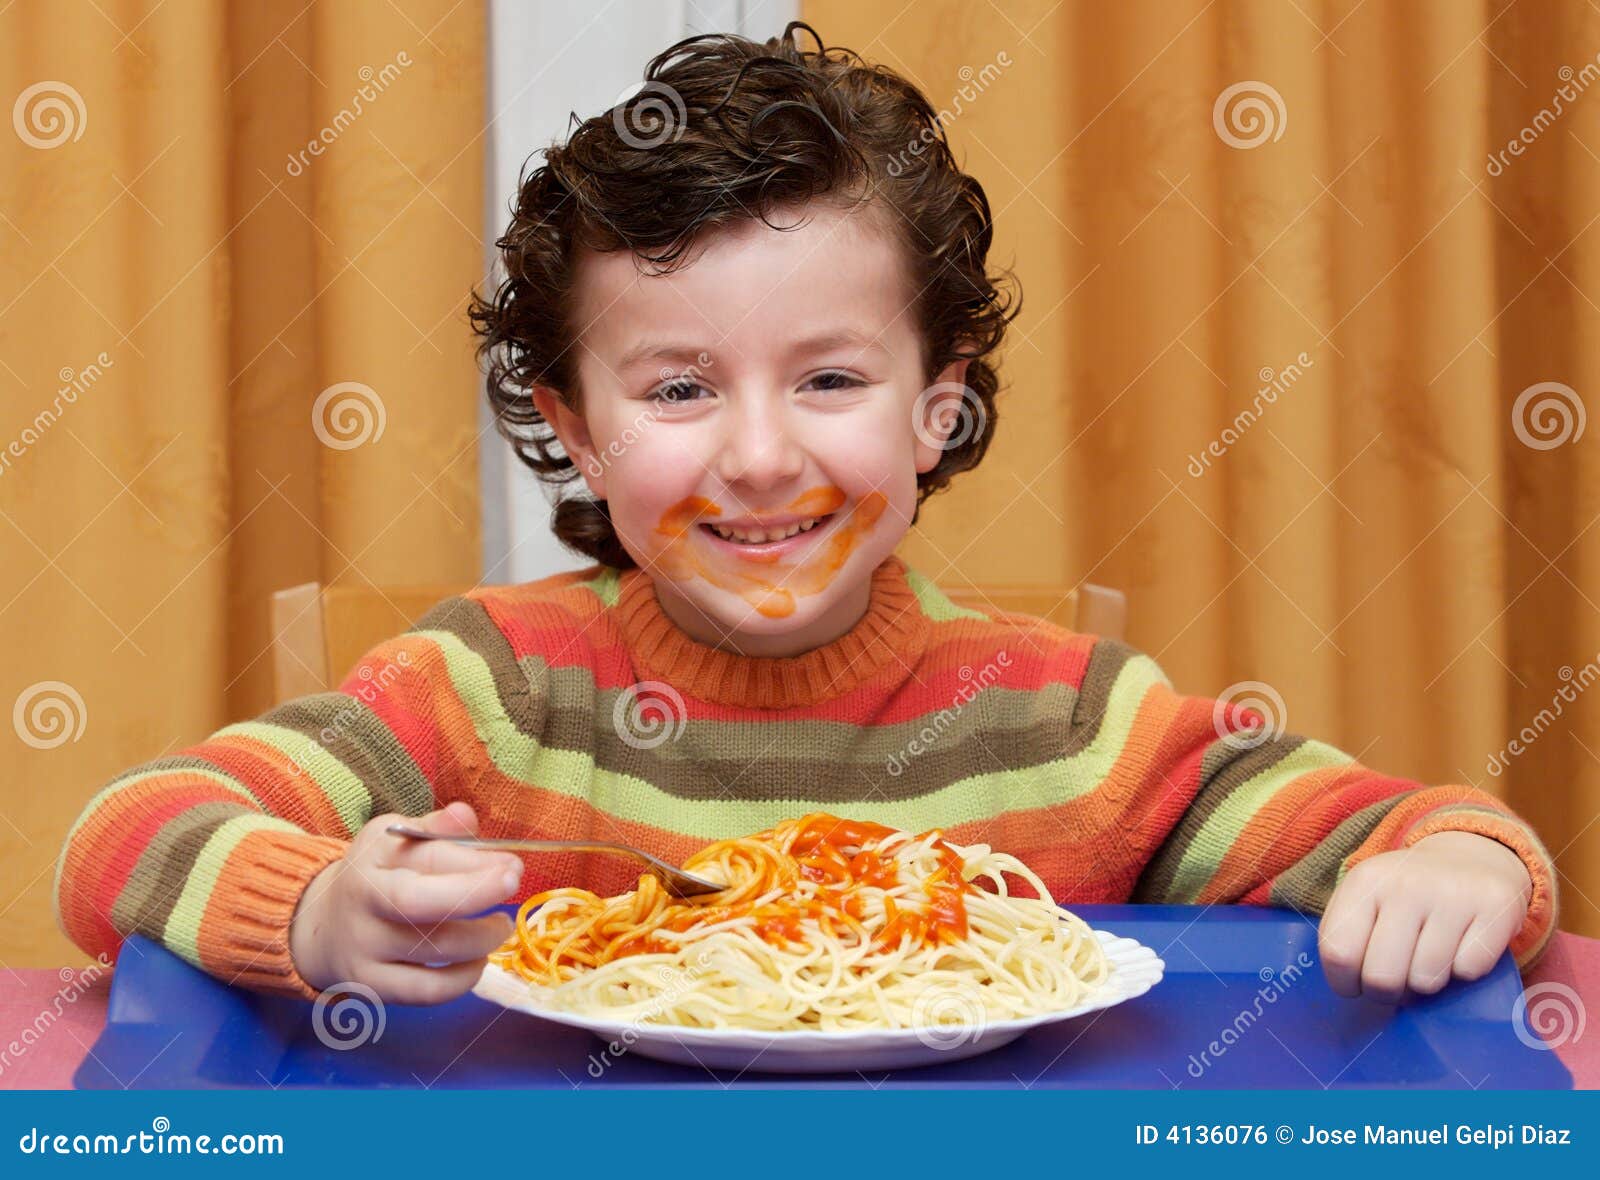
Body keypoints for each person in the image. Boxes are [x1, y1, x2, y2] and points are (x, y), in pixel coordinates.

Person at [55, 24, 1555, 1009]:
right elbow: (123, 834)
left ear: (935, 408)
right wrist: (317, 912)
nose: (761, 458)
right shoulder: (485, 692)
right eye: (680, 389)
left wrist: (1465, 865)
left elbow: (1399, 831)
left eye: (830, 377)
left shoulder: (1070, 722)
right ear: (575, 428)